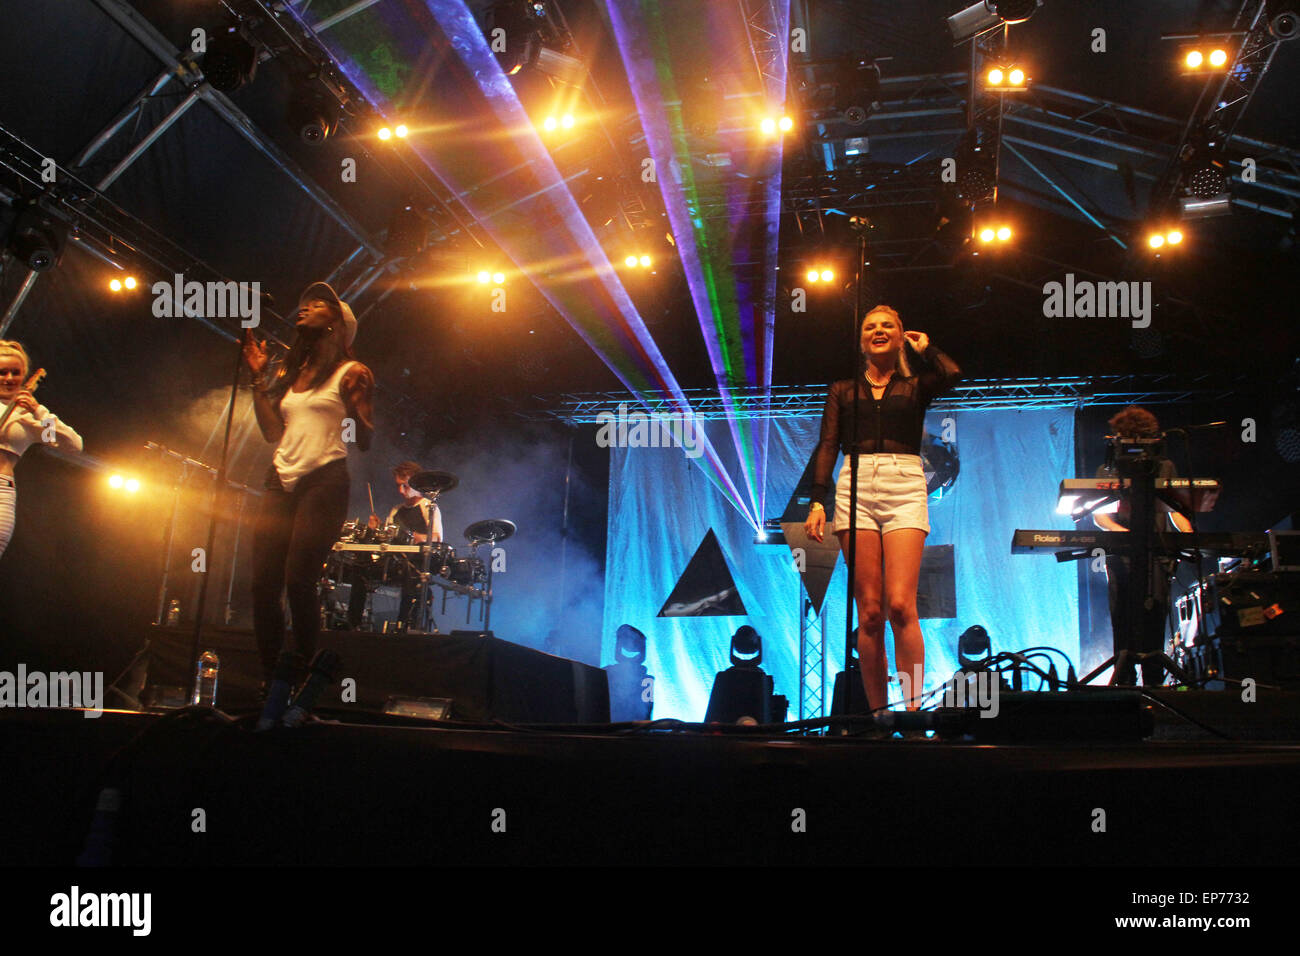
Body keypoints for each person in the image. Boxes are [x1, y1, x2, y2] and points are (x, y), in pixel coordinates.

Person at [804, 305, 961, 712]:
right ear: (861, 340)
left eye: (887, 325)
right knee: (869, 612)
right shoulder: (843, 389)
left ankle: (911, 709)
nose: (878, 330)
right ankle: (879, 714)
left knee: (900, 605)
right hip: (854, 482)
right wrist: (818, 500)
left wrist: (927, 349)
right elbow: (827, 444)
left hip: (904, 482)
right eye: (870, 326)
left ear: (900, 335)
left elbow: (952, 375)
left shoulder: (914, 386)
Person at [243, 283, 374, 686]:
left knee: (298, 579)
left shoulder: (353, 372)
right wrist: (258, 380)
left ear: (337, 324)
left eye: (317, 305)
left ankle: (298, 678)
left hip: (325, 480)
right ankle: (271, 680)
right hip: (280, 479)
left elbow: (364, 438)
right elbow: (270, 432)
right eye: (304, 303)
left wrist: (356, 403)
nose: (304, 308)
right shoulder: (295, 372)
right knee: (262, 584)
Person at [1092, 406, 1191, 686]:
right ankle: (1124, 678)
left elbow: (1176, 509)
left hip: (1156, 553)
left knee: (1155, 613)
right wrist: (1127, 536)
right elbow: (1100, 517)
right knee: (1122, 614)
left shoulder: (1164, 467)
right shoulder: (1108, 469)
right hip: (1121, 553)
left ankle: (1154, 679)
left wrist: (1189, 536)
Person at [0, 340, 83, 560]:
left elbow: (72, 445)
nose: (9, 378)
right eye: (2, 372)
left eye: (15, 373)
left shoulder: (28, 418)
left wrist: (39, 411)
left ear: (24, 376)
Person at [344, 461, 444, 630]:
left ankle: (403, 626)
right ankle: (353, 623)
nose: (400, 491)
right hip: (393, 562)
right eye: (398, 486)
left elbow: (436, 538)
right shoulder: (396, 510)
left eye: (405, 486)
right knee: (359, 568)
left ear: (416, 483)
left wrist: (410, 537)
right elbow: (386, 540)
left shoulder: (428, 507)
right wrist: (375, 529)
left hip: (415, 564)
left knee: (410, 575)